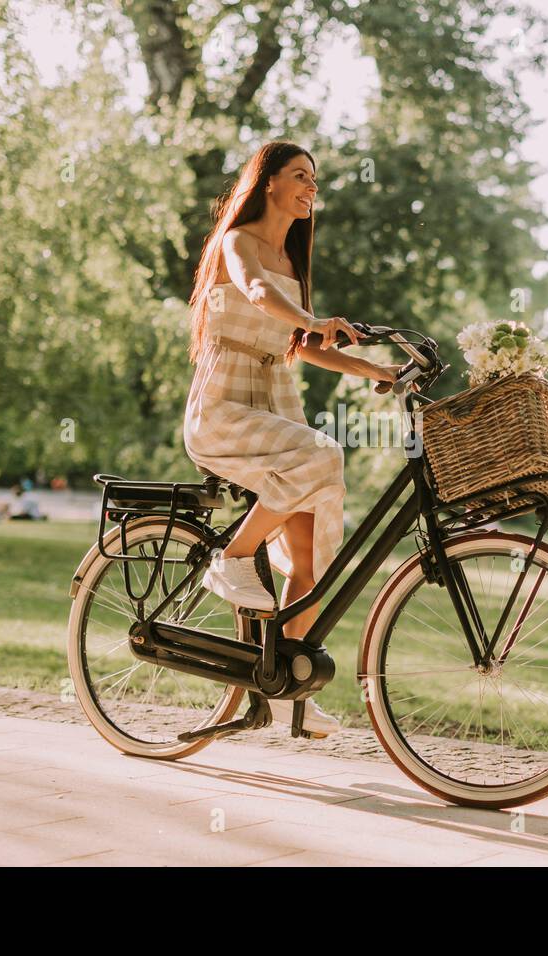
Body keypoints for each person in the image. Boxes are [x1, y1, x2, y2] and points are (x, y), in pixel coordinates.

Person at [181, 141, 405, 738]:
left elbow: (305, 347)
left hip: (276, 401)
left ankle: (279, 685)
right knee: (323, 452)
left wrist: (378, 370)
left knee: (311, 565)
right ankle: (230, 559)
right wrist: (310, 317)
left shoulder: (293, 260)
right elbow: (257, 294)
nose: (311, 187)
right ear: (269, 183)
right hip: (225, 405)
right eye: (300, 176)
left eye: (315, 179)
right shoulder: (240, 242)